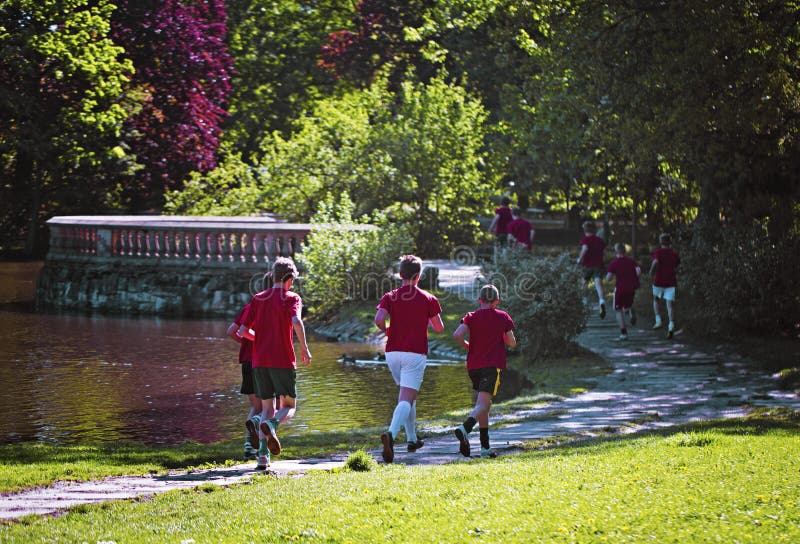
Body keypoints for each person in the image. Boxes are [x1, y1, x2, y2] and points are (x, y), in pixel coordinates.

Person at [238, 257, 312, 470]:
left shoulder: (258, 298)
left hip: (259, 362)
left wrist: (259, 338)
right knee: (289, 407)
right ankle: (271, 425)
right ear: (289, 278)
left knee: (266, 409)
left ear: (273, 276)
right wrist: (305, 348)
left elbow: (242, 331)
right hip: (283, 361)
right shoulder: (292, 298)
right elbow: (296, 321)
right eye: (293, 280)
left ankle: (262, 457)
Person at [374, 255, 444, 463]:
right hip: (415, 352)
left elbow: (378, 319)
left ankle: (412, 439)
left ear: (400, 274)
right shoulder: (428, 298)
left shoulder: (390, 296)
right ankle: (392, 435)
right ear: (419, 275)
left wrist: (386, 329)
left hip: (392, 352)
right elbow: (439, 328)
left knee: (407, 393)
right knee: (406, 397)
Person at [452, 284, 516, 459]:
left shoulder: (471, 317)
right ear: (497, 300)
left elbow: (457, 335)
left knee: (484, 406)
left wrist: (467, 345)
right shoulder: (503, 317)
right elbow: (512, 343)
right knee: (483, 405)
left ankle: (485, 448)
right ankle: (465, 428)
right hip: (491, 365)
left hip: (473, 366)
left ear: (479, 300)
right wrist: (501, 336)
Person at [226, 302, 264, 461]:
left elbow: (231, 331)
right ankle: (260, 449)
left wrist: (247, 343)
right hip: (264, 362)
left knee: (256, 406)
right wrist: (260, 342)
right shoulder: (270, 306)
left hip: (247, 362)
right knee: (272, 407)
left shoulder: (249, 307)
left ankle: (249, 446)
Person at [605, 243, 642, 340]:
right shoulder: (632, 262)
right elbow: (638, 271)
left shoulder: (614, 263)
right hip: (632, 288)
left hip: (620, 288)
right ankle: (629, 310)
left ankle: (624, 333)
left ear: (616, 251)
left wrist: (610, 276)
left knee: (617, 309)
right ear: (625, 251)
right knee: (627, 306)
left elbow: (608, 278)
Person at [649, 232, 680, 339]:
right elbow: (676, 265)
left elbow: (656, 262)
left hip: (659, 280)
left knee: (656, 299)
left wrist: (651, 271)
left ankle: (658, 321)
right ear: (669, 241)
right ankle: (671, 326)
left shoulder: (658, 252)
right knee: (670, 305)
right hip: (671, 280)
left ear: (660, 242)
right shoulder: (674, 253)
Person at [577, 220, 607, 318]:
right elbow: (603, 251)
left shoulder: (585, 240)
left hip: (587, 265)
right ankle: (601, 301)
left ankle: (584, 302)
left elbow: (585, 249)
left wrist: (579, 259)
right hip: (598, 264)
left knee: (584, 282)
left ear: (584, 230)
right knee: (598, 282)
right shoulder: (600, 240)